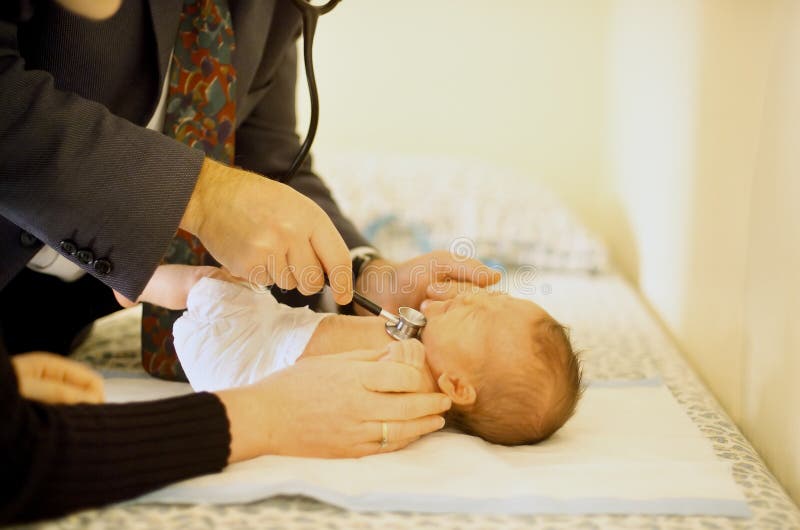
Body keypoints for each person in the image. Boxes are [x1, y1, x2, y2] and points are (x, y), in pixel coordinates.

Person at [0, 0, 481, 521]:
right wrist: (204, 196)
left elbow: (270, 167)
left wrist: (367, 273)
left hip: (54, 333)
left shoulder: (275, 11)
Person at [151, 266, 583, 445]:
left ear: (457, 385)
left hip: (247, 359)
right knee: (231, 282)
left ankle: (138, 282)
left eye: (479, 316)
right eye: (489, 298)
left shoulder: (410, 373)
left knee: (209, 281)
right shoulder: (423, 361)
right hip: (266, 344)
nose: (472, 298)